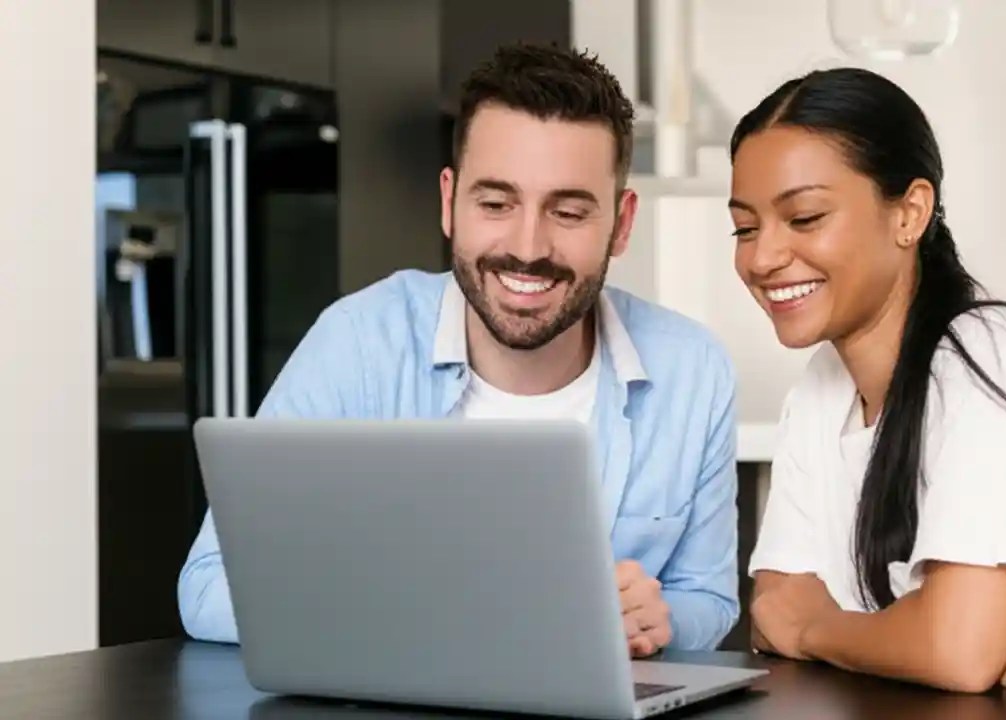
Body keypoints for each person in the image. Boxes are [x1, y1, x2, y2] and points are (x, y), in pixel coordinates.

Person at [178, 44, 741, 657]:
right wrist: (433, 610)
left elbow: (707, 599)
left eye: (570, 211)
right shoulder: (358, 343)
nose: (528, 247)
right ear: (450, 202)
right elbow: (208, 588)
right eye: (496, 204)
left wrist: (659, 623)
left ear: (622, 223)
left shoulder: (693, 370)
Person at [730, 68, 1006, 695]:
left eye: (804, 217)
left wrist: (822, 630)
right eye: (746, 227)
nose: (761, 258)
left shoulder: (994, 355)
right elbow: (772, 611)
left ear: (910, 213)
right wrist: (938, 640)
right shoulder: (820, 390)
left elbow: (950, 650)